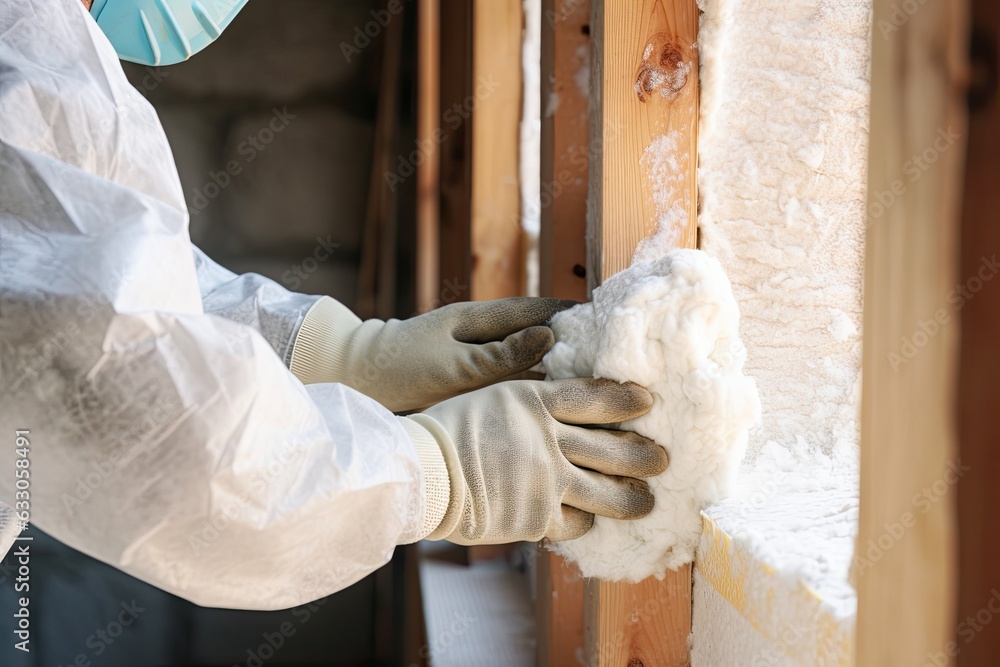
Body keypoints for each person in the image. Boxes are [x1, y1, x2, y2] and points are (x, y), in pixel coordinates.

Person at [0, 0, 668, 611]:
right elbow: (154, 427)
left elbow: (98, 279)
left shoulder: (38, 44)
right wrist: (439, 471)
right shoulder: (21, 53)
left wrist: (336, 352)